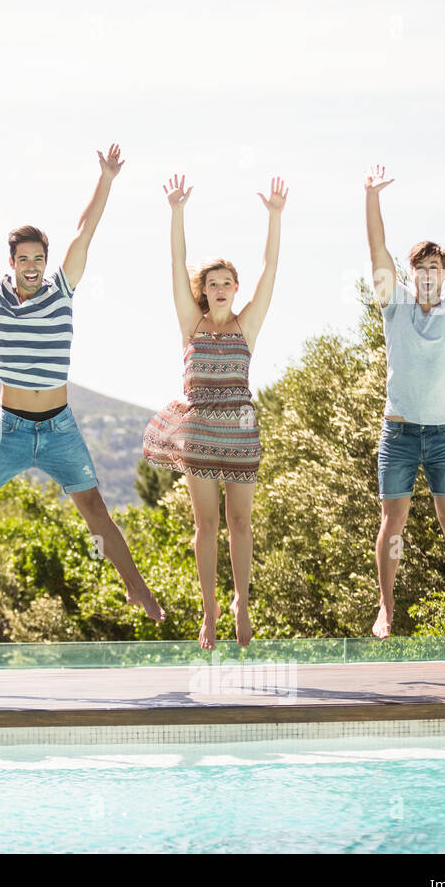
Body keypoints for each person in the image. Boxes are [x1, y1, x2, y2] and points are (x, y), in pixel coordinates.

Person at [0, 145, 165, 634]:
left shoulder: (62, 290)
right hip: (11, 428)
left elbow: (85, 233)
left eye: (39, 258)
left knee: (96, 511)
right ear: (12, 261)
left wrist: (105, 179)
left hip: (60, 427)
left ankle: (135, 584)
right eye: (24, 258)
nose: (33, 265)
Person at [145, 174, 286, 650]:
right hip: (199, 430)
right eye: (213, 282)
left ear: (235, 288)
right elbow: (174, 262)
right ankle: (210, 612)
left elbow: (270, 269)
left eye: (227, 282)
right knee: (205, 525)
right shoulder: (192, 322)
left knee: (241, 523)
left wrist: (274, 216)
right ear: (203, 289)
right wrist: (176, 211)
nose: (220, 288)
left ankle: (242, 603)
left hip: (241, 430)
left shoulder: (248, 323)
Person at [366, 164, 445, 638]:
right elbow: (376, 251)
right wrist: (371, 197)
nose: (429, 275)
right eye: (421, 269)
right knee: (391, 521)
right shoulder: (393, 305)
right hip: (397, 431)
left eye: (437, 268)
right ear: (413, 275)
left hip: (442, 434)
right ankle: (386, 610)